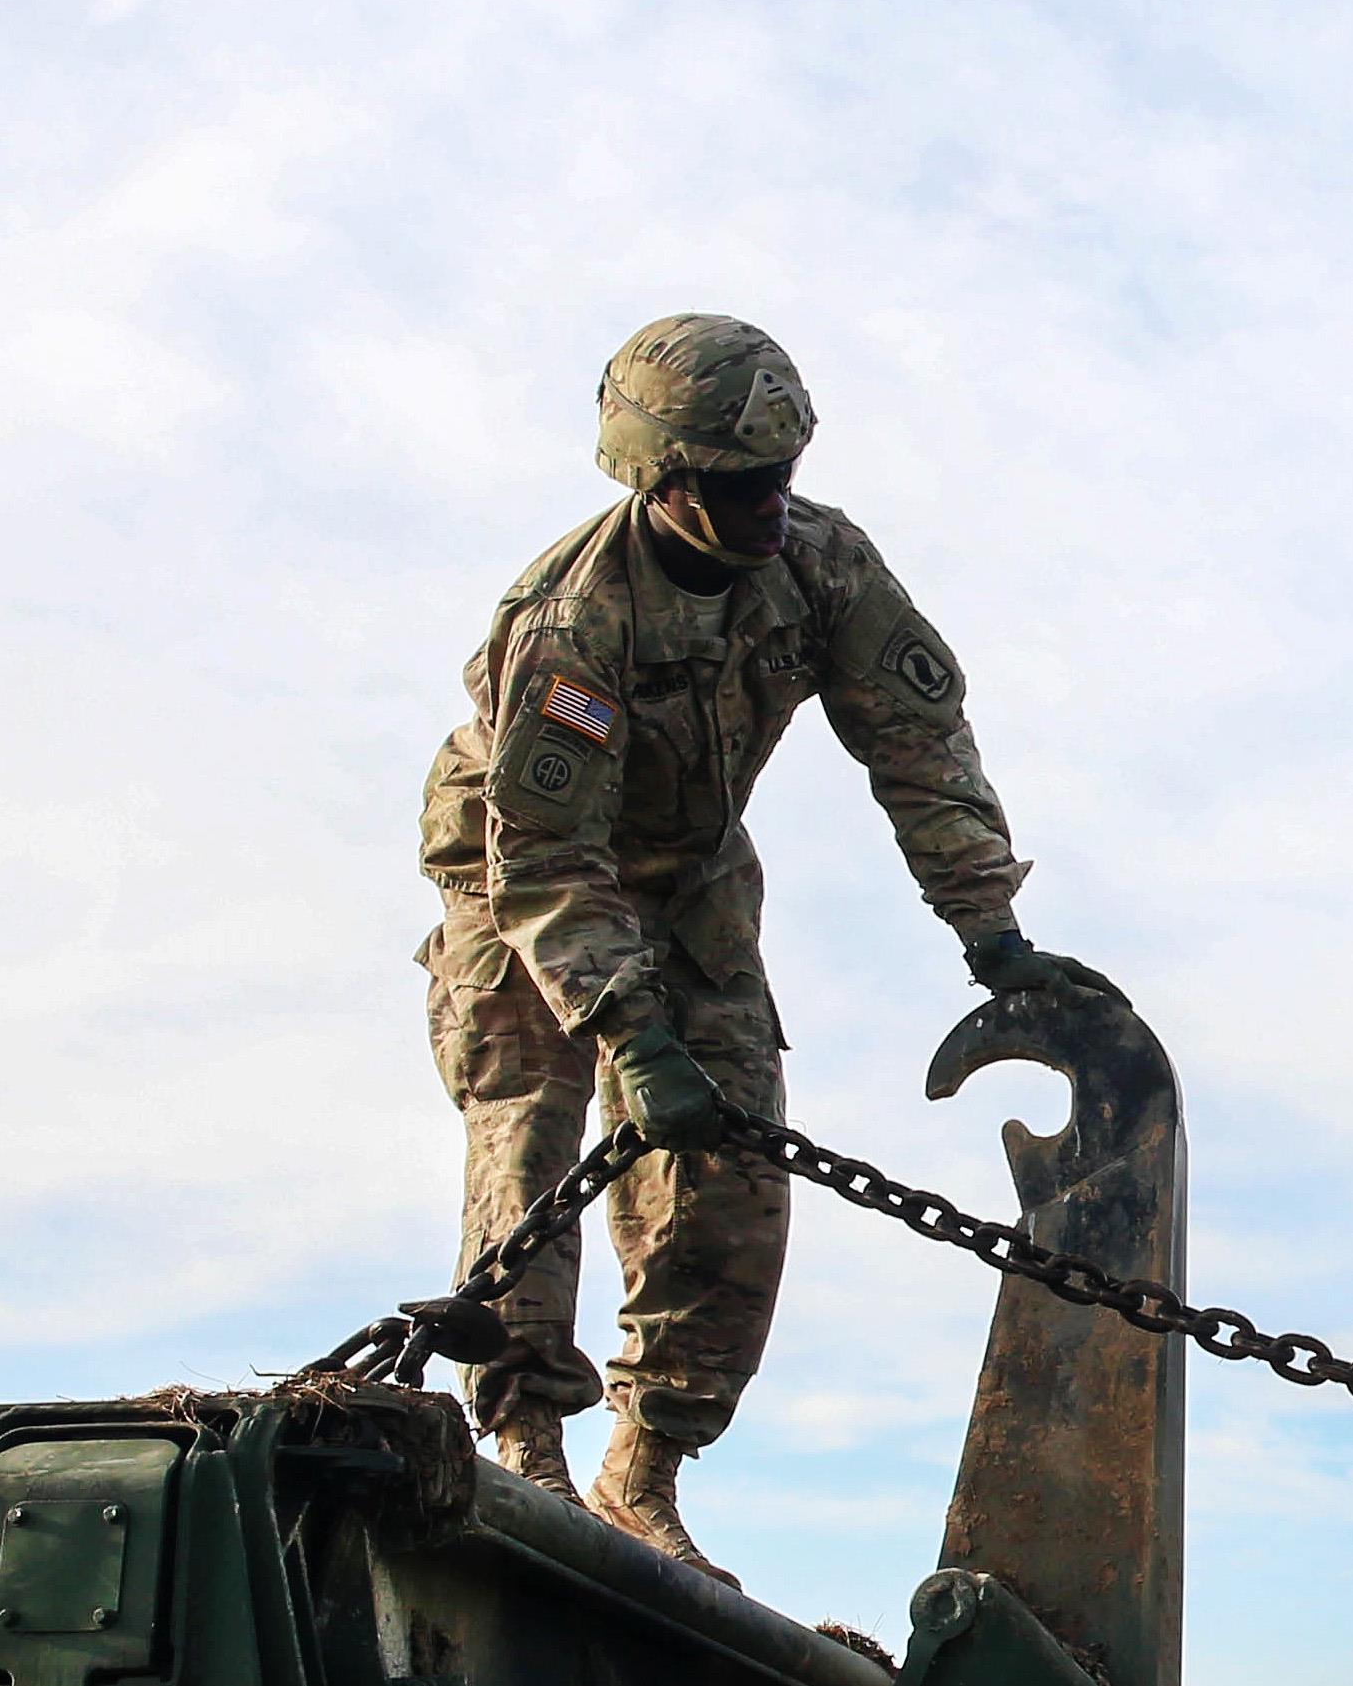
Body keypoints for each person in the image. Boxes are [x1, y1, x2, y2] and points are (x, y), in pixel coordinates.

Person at [416, 312, 1114, 1584]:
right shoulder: (573, 625)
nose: (767, 508)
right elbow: (544, 855)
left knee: (730, 1172)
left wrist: (990, 932)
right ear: (662, 479)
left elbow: (916, 742)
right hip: (526, 883)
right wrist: (626, 1031)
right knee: (529, 1139)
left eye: (781, 477)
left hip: (691, 883)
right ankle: (529, 1448)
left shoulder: (821, 564)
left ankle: (647, 1469)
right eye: (739, 489)